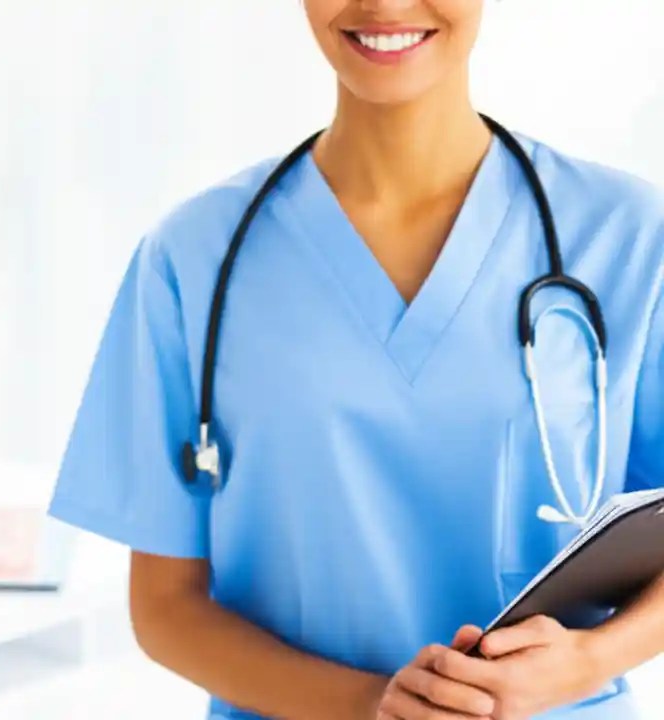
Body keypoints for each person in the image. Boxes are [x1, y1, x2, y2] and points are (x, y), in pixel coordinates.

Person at [47, 1, 664, 718]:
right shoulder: (192, 259)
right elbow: (165, 607)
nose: (384, 3)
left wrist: (584, 662)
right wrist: (373, 705)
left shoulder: (629, 237)